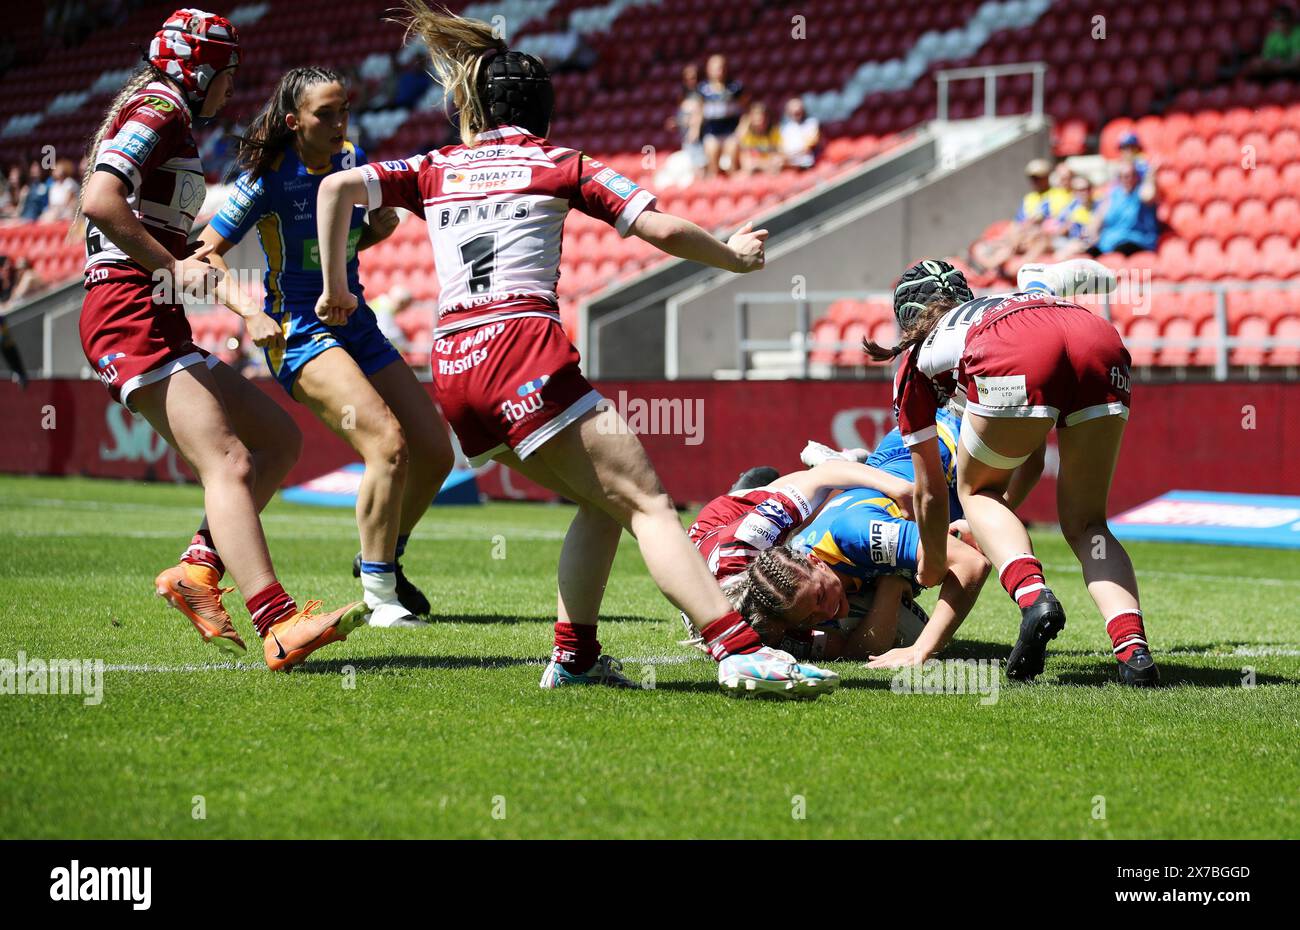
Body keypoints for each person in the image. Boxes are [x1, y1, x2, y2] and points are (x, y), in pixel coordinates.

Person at [316, 1, 840, 698]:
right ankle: (738, 649)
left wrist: (336, 291)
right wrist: (735, 257)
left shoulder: (437, 166)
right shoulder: (558, 163)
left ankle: (576, 656)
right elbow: (660, 228)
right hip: (520, 348)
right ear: (543, 111)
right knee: (649, 501)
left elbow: (336, 185)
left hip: (454, 368)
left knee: (605, 504)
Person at [78, 8, 366, 671]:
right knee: (231, 462)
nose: (231, 89)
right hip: (128, 311)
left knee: (278, 440)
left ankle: (197, 571)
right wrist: (172, 266)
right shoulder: (160, 111)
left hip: (152, 311)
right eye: (228, 75)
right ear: (199, 70)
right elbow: (100, 199)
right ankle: (279, 623)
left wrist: (198, 282)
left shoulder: (160, 111)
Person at [198, 66, 454, 628]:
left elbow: (345, 242)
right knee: (386, 443)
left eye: (345, 111)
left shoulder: (351, 160)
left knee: (435, 452)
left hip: (356, 323)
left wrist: (378, 228)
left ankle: (381, 557)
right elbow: (204, 252)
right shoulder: (264, 177)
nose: (341, 124)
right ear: (294, 122)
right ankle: (380, 595)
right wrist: (250, 313)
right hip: (298, 330)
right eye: (326, 114)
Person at [865, 257, 1158, 686]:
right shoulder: (998, 304)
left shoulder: (917, 360)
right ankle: (1133, 652)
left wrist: (935, 559)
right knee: (1088, 524)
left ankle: (1035, 599)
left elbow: (927, 492)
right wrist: (991, 527)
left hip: (1016, 349)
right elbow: (1033, 459)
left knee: (975, 490)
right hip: (1096, 338)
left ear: (906, 321)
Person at [1089, 161, 1158, 256]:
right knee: (1089, 254)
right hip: (1110, 242)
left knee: (1120, 250)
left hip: (1135, 241)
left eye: (1131, 176)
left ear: (1137, 177)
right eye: (1123, 176)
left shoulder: (1141, 192)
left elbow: (1149, 196)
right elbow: (1099, 217)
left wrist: (1150, 175)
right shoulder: (1113, 194)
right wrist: (1093, 234)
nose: (1127, 179)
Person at [697, 53, 746, 177]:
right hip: (712, 132)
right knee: (712, 166)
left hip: (731, 131)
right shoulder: (703, 89)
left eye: (722, 67)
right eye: (716, 68)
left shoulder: (735, 87)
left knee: (732, 166)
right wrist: (695, 129)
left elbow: (746, 110)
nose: (719, 71)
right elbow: (699, 111)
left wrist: (742, 129)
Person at [736, 101, 783, 175]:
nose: (759, 120)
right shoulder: (747, 132)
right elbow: (743, 152)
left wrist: (762, 163)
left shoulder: (774, 131)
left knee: (777, 161)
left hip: (768, 163)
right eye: (755, 116)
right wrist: (744, 124)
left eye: (762, 117)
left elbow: (778, 153)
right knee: (748, 162)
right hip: (753, 164)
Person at [778, 96, 819, 170]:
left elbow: (808, 148)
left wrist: (790, 156)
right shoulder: (785, 129)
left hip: (807, 165)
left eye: (798, 111)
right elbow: (782, 151)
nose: (796, 113)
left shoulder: (811, 124)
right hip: (790, 166)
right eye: (793, 112)